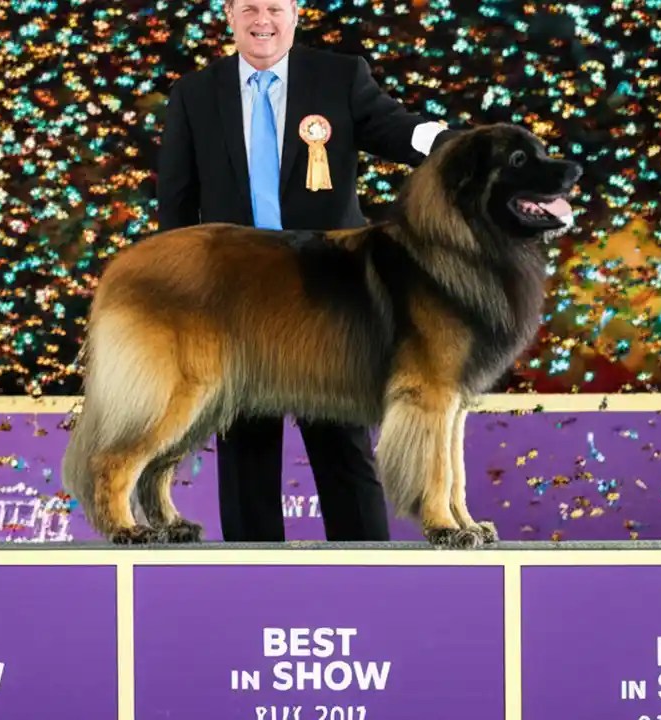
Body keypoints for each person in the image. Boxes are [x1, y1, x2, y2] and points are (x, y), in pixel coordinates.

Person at [154, 0, 459, 542]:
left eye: (274, 6)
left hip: (330, 292)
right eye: (248, 7)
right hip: (236, 294)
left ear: (295, 13)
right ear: (228, 14)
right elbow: (177, 204)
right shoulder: (195, 93)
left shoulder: (340, 75)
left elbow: (395, 128)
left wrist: (451, 142)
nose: (261, 19)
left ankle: (366, 565)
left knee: (342, 439)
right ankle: (251, 571)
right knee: (245, 441)